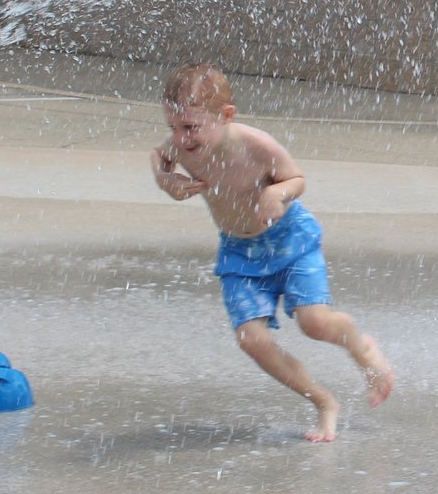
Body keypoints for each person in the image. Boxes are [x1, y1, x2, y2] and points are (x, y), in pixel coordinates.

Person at [152, 63, 394, 441]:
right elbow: (159, 157)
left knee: (315, 323)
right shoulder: (182, 146)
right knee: (252, 340)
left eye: (190, 127)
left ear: (226, 115)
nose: (180, 138)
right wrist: (166, 180)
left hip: (290, 241)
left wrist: (275, 192)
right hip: (239, 253)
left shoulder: (257, 146)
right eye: (173, 127)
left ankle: (363, 351)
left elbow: (297, 179)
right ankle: (323, 401)